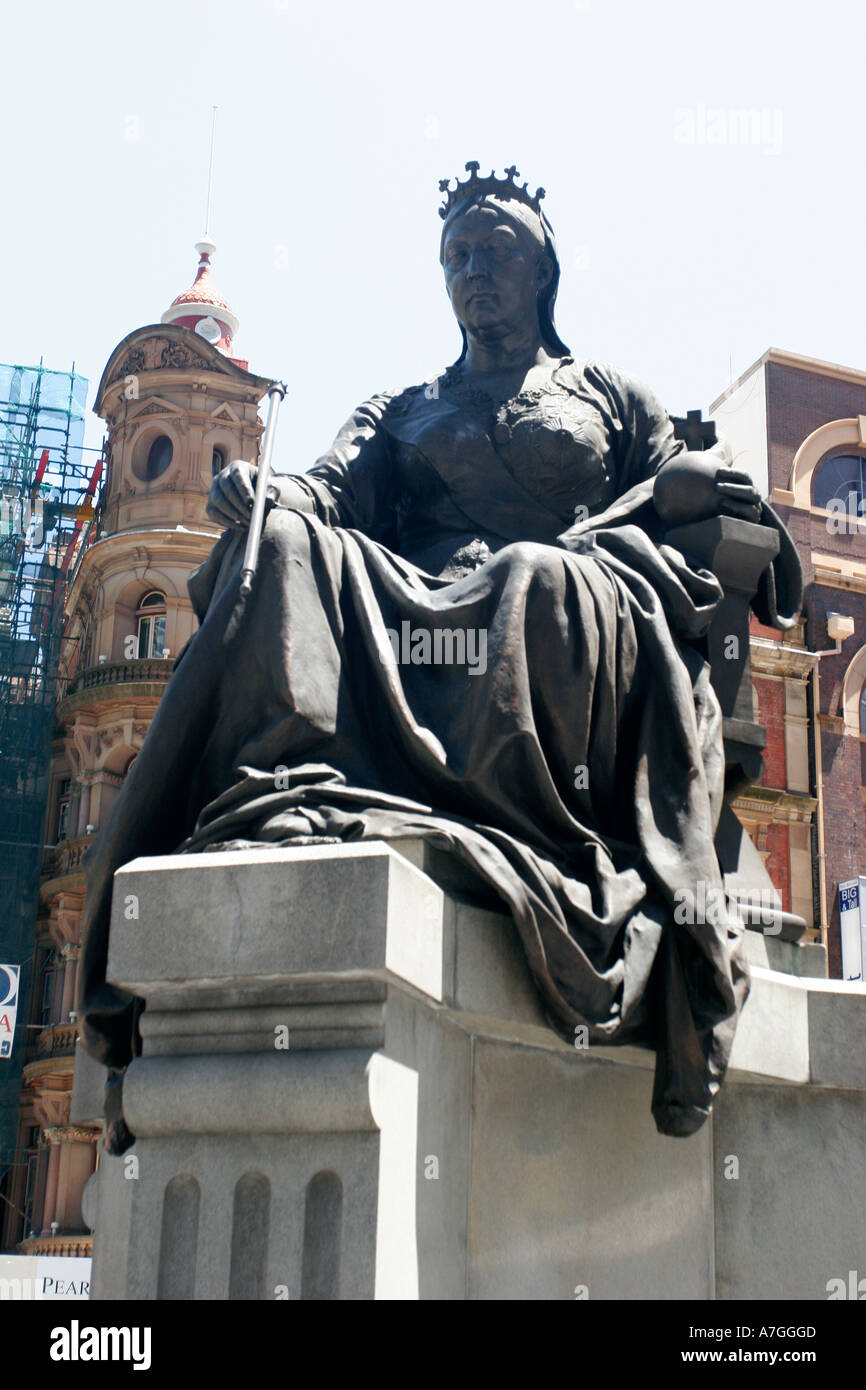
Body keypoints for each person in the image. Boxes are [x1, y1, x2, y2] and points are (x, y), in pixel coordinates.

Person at [78, 163, 799, 1139]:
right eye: (454, 255)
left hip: (562, 612)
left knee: (529, 579)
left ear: (540, 270)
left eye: (493, 250)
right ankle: (281, 799)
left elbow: (695, 493)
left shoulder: (605, 395)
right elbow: (321, 492)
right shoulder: (401, 407)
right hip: (411, 612)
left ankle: (504, 821)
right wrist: (264, 499)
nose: (471, 271)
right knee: (282, 548)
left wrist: (695, 494)